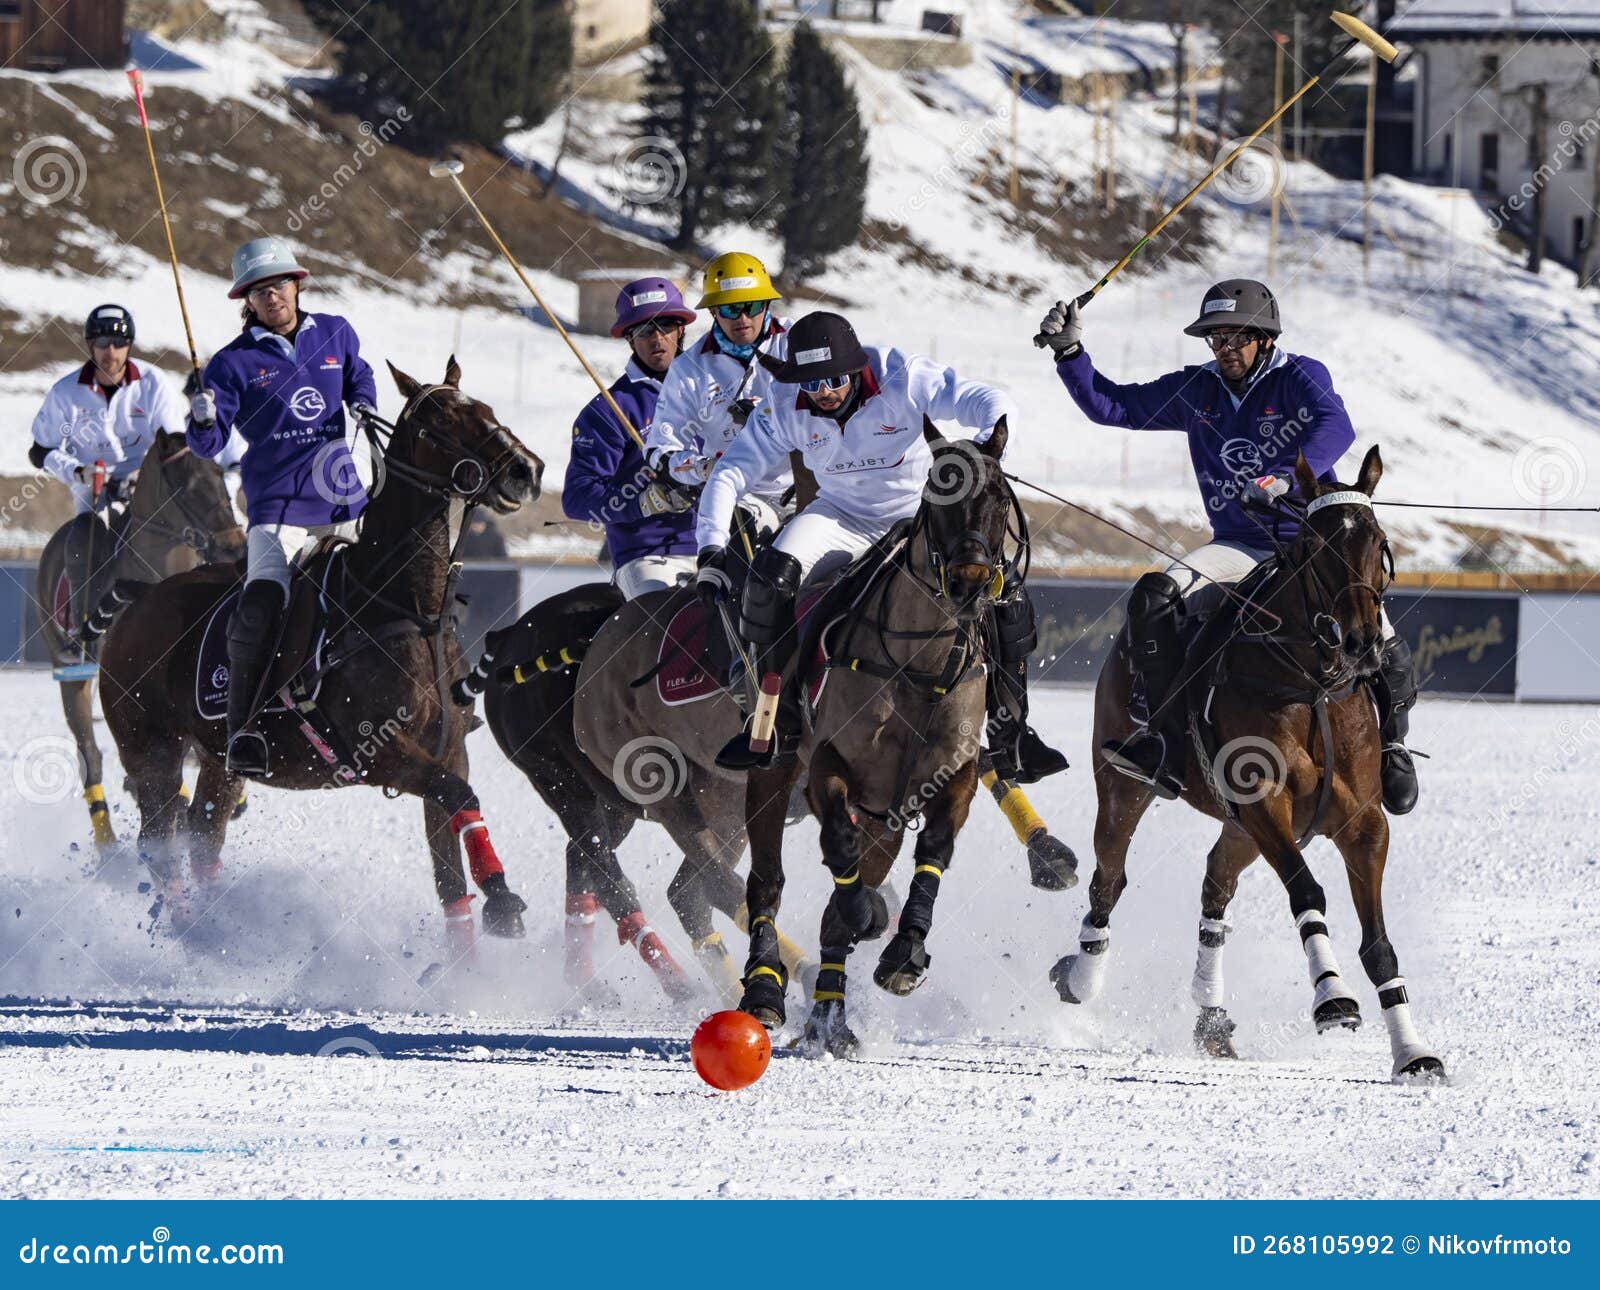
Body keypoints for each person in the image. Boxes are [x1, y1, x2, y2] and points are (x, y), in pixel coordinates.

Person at [1038, 278, 1419, 813]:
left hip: (1311, 549)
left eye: (1236, 338)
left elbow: (1339, 424)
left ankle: (1395, 744)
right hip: (1239, 547)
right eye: (1215, 339)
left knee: (1386, 642)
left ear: (1264, 338)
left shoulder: (1299, 376)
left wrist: (1288, 474)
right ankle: (1163, 741)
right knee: (1154, 597)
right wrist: (1071, 355)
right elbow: (1112, 406)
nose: (1224, 349)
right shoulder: (1198, 391)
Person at [692, 310, 1068, 783]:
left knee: (1005, 592)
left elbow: (989, 399)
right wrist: (710, 548)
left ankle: (1014, 732)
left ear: (854, 366)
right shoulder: (784, 402)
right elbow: (730, 472)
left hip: (919, 521)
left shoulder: (903, 377)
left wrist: (982, 450)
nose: (824, 393)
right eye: (812, 383)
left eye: (833, 379)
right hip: (841, 517)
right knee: (768, 580)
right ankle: (773, 720)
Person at [187, 237, 378, 775]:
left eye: (281, 286)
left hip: (344, 500)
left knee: (393, 585)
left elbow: (357, 374)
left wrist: (363, 400)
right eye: (262, 291)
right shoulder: (232, 364)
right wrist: (202, 417)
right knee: (262, 604)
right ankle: (242, 729)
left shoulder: (336, 332)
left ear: (299, 284)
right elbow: (207, 444)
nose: (274, 298)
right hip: (277, 511)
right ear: (247, 301)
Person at [29, 305, 190, 628]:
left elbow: (174, 442)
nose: (110, 352)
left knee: (203, 529)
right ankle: (83, 622)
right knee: (83, 535)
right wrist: (78, 472)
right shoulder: (66, 392)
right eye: (102, 343)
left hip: (148, 483)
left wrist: (143, 473)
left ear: (129, 345)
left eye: (118, 344)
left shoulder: (153, 383)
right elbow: (41, 450)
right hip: (93, 486)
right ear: (90, 345)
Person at [562, 276, 699, 597]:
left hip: (722, 544)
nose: (657, 338)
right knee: (663, 626)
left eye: (665, 325)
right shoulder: (608, 410)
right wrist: (643, 501)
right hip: (648, 555)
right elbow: (578, 498)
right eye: (644, 329)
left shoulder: (713, 390)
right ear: (629, 338)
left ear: (681, 329)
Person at [644, 251, 792, 526]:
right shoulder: (689, 368)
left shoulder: (798, 343)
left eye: (753, 305)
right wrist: (703, 468)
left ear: (768, 304)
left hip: (809, 487)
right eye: (730, 309)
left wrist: (771, 417)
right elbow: (659, 451)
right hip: (740, 496)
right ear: (713, 311)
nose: (743, 318)